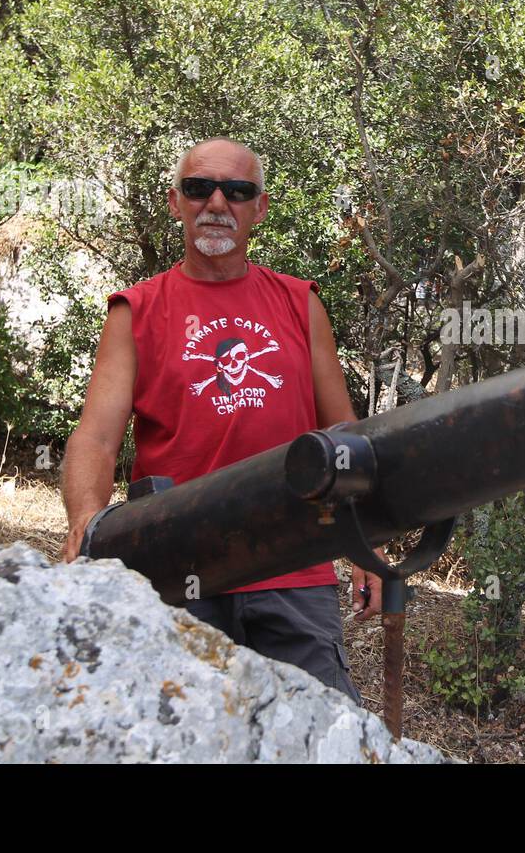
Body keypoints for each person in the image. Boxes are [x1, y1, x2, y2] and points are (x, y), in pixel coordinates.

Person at [60, 136, 383, 705]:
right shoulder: (135, 310)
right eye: (198, 187)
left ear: (258, 209)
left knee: (321, 735)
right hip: (174, 563)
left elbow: (343, 436)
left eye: (237, 191)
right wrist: (85, 524)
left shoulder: (300, 303)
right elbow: (97, 436)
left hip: (294, 563)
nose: (217, 202)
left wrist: (367, 544)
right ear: (175, 201)